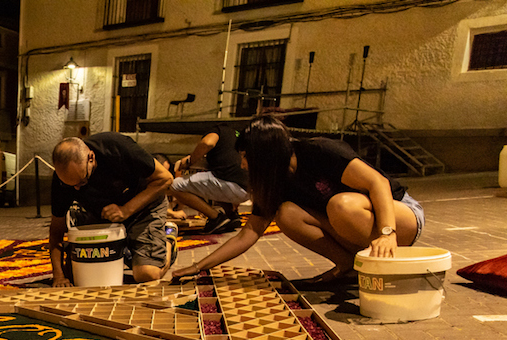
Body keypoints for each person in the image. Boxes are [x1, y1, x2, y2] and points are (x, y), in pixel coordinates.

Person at [172, 115, 424, 285]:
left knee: (341, 205)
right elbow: (248, 233)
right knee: (286, 214)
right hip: (354, 224)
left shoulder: (319, 151)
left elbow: (377, 183)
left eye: (246, 156)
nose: (243, 164)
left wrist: (387, 232)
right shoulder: (273, 181)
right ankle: (348, 264)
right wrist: (200, 267)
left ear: (265, 154)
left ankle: (383, 266)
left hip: (398, 215)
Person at [49, 134, 177, 287]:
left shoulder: (116, 147)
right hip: (104, 215)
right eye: (72, 185)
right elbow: (56, 231)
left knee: (146, 274)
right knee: (77, 273)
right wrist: (58, 276)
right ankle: (128, 250)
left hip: (144, 207)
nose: (77, 188)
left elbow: (166, 179)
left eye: (82, 181)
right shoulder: (62, 181)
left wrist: (125, 210)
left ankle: (168, 239)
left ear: (91, 157)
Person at [171, 124, 249, 234]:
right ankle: (231, 215)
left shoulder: (218, 130)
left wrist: (189, 160)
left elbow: (207, 143)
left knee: (173, 186)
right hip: (247, 188)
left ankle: (216, 218)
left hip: (229, 183)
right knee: (213, 179)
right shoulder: (235, 135)